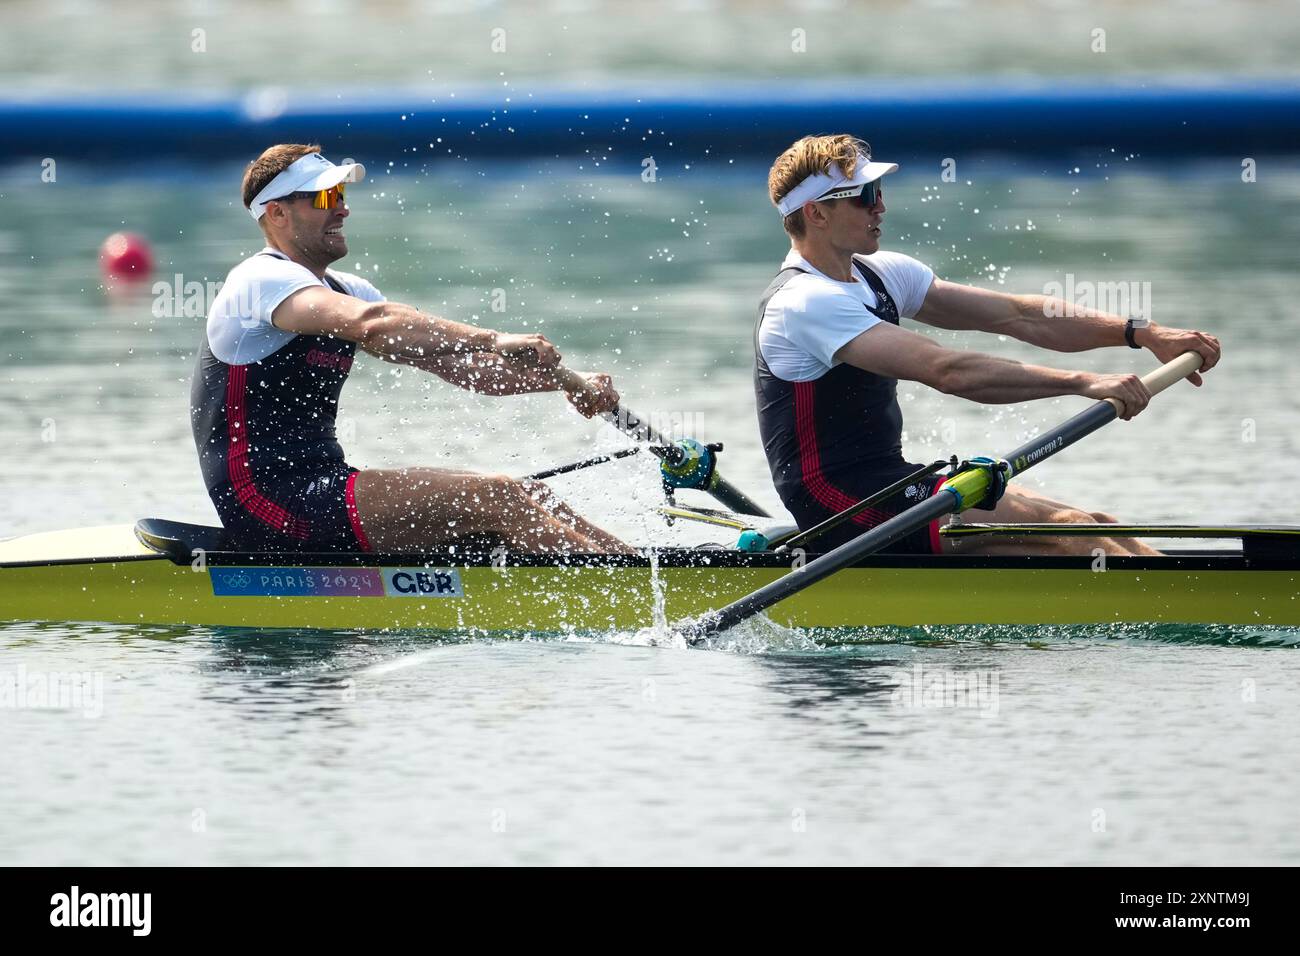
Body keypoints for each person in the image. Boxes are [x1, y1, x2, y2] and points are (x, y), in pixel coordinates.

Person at [757, 134, 1221, 556]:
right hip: (839, 507)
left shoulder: (881, 273)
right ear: (816, 213)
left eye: (879, 193)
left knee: (1099, 525)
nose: (880, 207)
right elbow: (947, 371)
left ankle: (1194, 605)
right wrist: (1086, 383)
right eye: (864, 196)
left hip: (891, 483)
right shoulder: (805, 302)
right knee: (1071, 529)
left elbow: (1020, 316)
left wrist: (1141, 332)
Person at [192, 143, 629, 554]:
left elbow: (469, 369)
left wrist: (568, 383)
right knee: (496, 495)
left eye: (340, 194)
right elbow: (374, 324)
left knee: (530, 493)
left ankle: (650, 575)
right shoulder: (258, 282)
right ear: (277, 213)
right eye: (325, 199)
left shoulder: (348, 290)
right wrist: (493, 337)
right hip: (268, 504)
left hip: (325, 488)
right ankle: (635, 601)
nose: (342, 208)